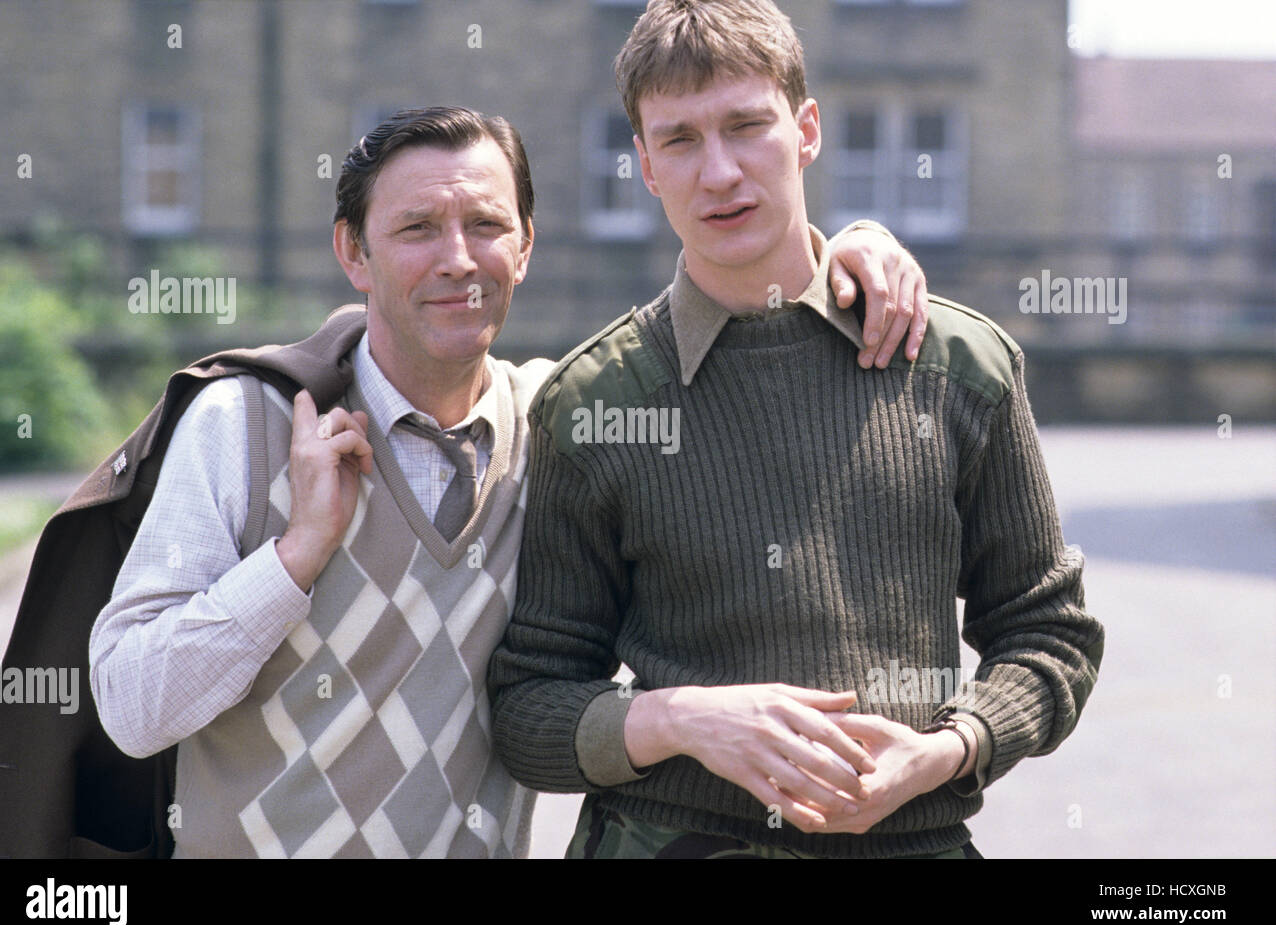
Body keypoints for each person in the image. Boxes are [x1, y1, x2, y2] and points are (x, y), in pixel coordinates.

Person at [86, 104, 929, 858]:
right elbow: (132, 708)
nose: (458, 259)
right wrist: (296, 555)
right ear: (355, 251)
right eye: (417, 228)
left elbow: (728, 357)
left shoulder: (557, 423)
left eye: (486, 224)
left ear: (526, 246)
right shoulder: (246, 425)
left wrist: (846, 254)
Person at [487, 0, 1105, 859]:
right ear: (646, 167)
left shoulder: (959, 364)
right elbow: (527, 708)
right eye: (680, 140)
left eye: (747, 127)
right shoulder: (594, 398)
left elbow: (1050, 633)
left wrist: (947, 750)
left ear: (807, 128)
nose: (721, 172)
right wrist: (678, 719)